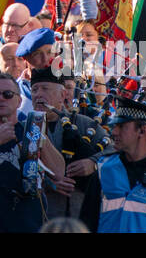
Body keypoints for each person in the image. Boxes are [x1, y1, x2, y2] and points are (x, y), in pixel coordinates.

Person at [0, 72, 71, 233]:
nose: (1, 98)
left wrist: (40, 137)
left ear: (19, 101)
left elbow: (59, 172)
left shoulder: (29, 129)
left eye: (8, 94)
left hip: (27, 223)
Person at [81, 96, 146, 233]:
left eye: (121, 126)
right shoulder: (104, 169)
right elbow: (87, 221)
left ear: (143, 130)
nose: (114, 132)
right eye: (114, 126)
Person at [32, 67, 109, 219]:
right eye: (34, 89)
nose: (38, 94)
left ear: (62, 95)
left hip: (78, 212)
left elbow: (114, 150)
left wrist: (93, 163)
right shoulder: (24, 127)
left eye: (45, 89)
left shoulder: (84, 124)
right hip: (39, 216)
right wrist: (48, 182)